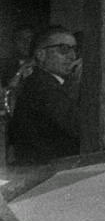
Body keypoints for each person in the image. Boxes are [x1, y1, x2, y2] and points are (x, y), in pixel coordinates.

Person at [8, 25, 81, 163]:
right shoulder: (44, 87)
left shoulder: (44, 82)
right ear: (41, 55)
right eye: (64, 49)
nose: (72, 56)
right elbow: (80, 128)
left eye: (75, 50)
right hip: (48, 170)